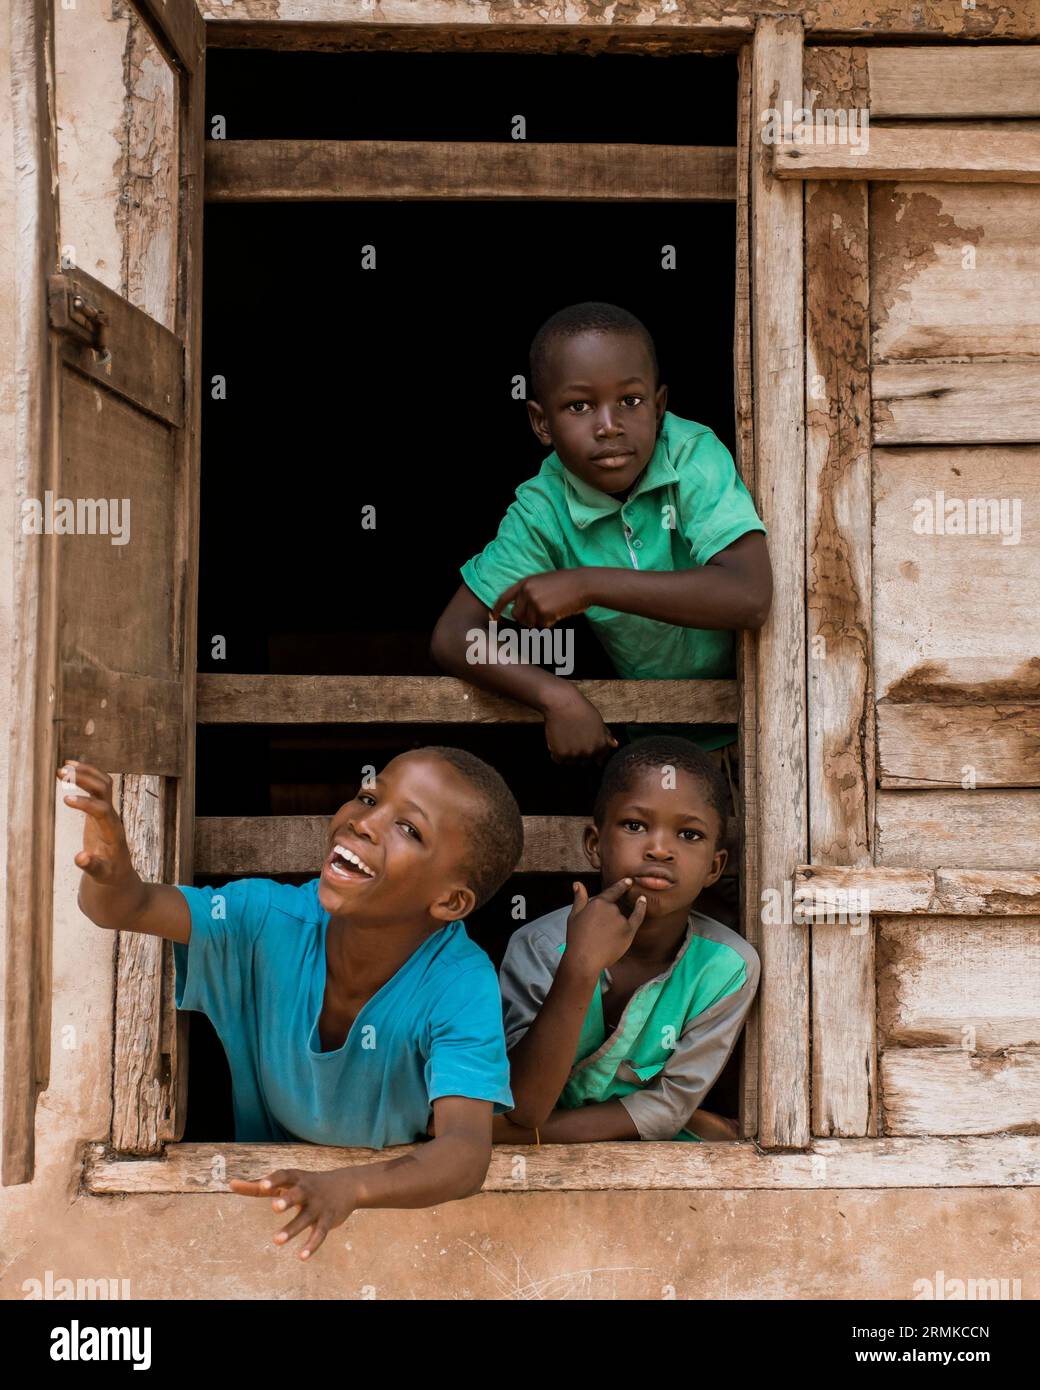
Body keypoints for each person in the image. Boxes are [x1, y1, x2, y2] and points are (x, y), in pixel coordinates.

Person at [63, 746, 523, 1258]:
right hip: (255, 1203)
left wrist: (349, 1187)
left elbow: (464, 1155)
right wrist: (109, 871)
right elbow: (128, 906)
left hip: (396, 1232)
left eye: (409, 829)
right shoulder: (267, 918)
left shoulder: (460, 983)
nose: (365, 822)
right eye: (368, 796)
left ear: (450, 902)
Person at [431, 300, 771, 762]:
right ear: (541, 422)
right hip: (660, 748)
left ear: (659, 406)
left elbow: (749, 595)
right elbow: (455, 635)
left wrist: (586, 585)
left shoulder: (690, 455)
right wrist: (555, 696)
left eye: (630, 402)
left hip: (767, 726)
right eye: (579, 406)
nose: (609, 426)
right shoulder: (544, 509)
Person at [495, 737, 759, 1143]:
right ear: (595, 845)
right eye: (635, 826)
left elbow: (669, 1105)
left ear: (714, 867)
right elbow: (521, 1101)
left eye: (689, 835)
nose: (660, 849)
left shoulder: (727, 967)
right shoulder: (540, 947)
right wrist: (579, 968)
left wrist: (513, 1135)